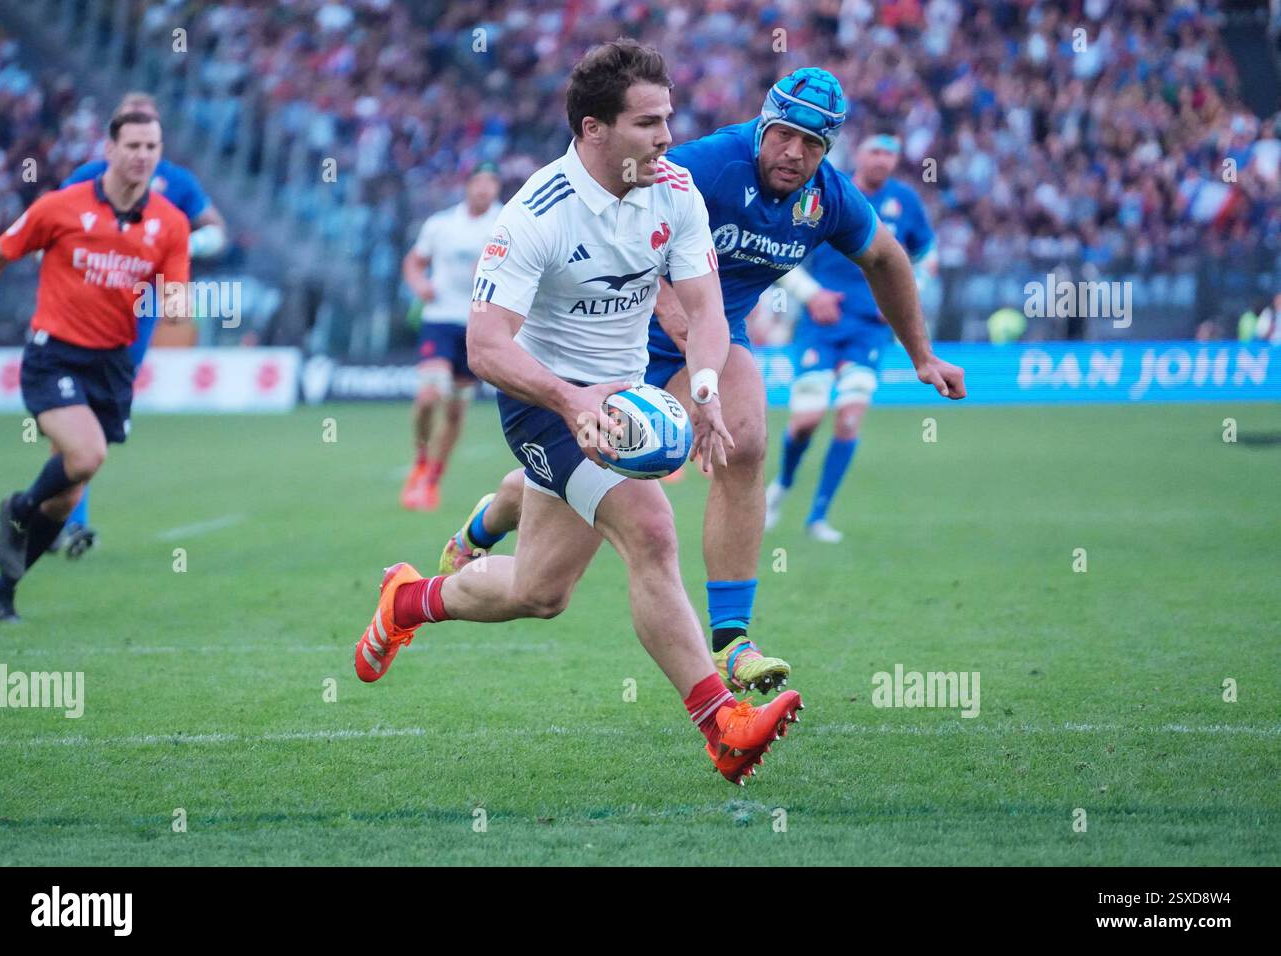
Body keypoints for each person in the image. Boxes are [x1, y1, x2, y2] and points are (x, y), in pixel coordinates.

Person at [353, 39, 802, 785]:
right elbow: (486, 348)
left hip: (623, 397)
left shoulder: (676, 191)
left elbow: (706, 310)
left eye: (668, 119)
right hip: (544, 403)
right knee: (652, 529)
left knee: (541, 591)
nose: (665, 137)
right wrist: (571, 399)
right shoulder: (537, 213)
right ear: (594, 129)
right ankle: (722, 723)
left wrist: (706, 389)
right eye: (647, 123)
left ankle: (412, 598)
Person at [439, 69, 966, 696]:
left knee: (743, 441)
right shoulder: (705, 165)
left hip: (709, 344)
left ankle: (732, 642)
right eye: (785, 136)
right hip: (615, 352)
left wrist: (921, 354)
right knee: (554, 563)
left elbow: (885, 257)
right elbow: (625, 219)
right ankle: (487, 522)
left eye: (814, 144)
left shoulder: (828, 198)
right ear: (763, 126)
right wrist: (661, 300)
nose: (795, 153)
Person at [0, 111, 191, 621]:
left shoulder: (170, 223)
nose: (143, 155)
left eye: (152, 147)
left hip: (113, 365)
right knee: (86, 455)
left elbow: (176, 296)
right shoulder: (59, 207)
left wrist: (180, 305)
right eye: (134, 145)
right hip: (54, 355)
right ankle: (19, 509)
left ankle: (2, 589)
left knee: (69, 491)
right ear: (110, 149)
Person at [52, 92, 227, 557]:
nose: (142, 149)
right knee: (81, 423)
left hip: (135, 321)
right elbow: (51, 225)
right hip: (80, 317)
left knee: (88, 430)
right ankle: (69, 522)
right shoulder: (88, 177)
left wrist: (181, 245)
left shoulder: (177, 183)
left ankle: (43, 513)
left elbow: (216, 230)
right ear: (115, 136)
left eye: (150, 131)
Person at [765, 132, 938, 542]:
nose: (883, 160)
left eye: (891, 153)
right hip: (821, 324)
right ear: (859, 152)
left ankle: (818, 518)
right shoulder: (824, 192)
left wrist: (904, 294)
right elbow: (775, 249)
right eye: (876, 151)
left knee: (849, 417)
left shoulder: (905, 202)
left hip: (870, 329)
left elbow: (929, 255)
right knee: (806, 421)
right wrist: (812, 294)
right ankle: (781, 488)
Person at [399, 162, 503, 510]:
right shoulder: (441, 224)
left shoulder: (506, 222)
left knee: (456, 411)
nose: (484, 189)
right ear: (467, 185)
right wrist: (419, 285)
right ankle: (420, 459)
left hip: (477, 322)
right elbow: (413, 261)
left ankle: (432, 479)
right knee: (430, 395)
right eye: (479, 181)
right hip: (440, 317)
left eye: (491, 182)